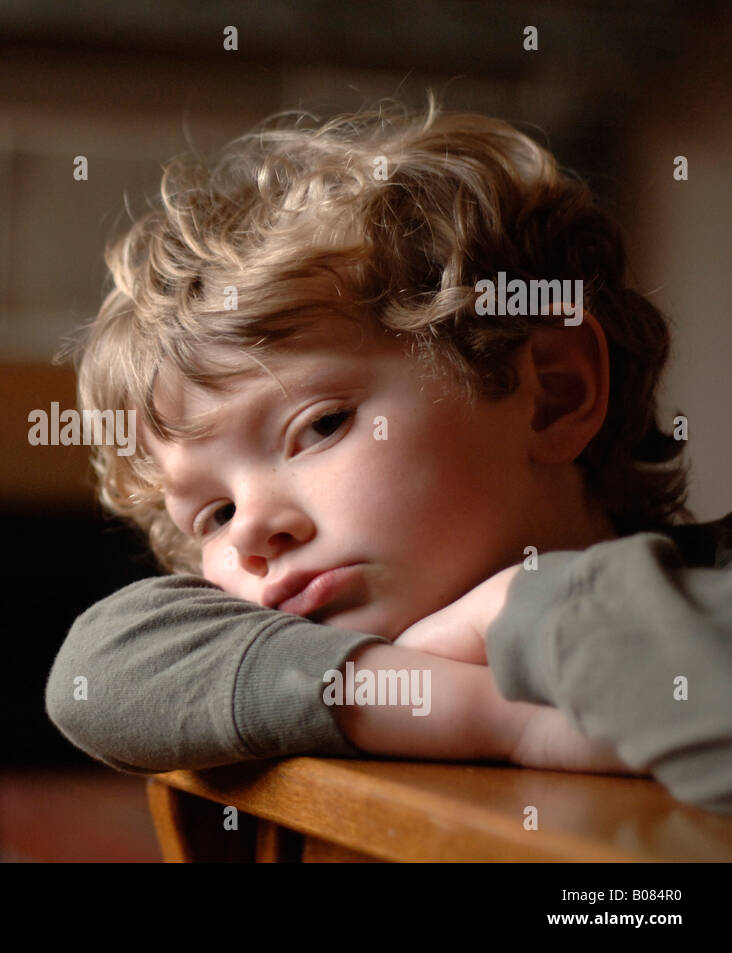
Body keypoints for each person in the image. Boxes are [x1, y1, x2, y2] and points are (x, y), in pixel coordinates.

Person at [44, 97, 732, 814]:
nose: (248, 532)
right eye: (213, 514)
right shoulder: (311, 638)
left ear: (553, 393)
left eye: (321, 426)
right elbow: (100, 669)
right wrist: (497, 716)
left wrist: (514, 609)